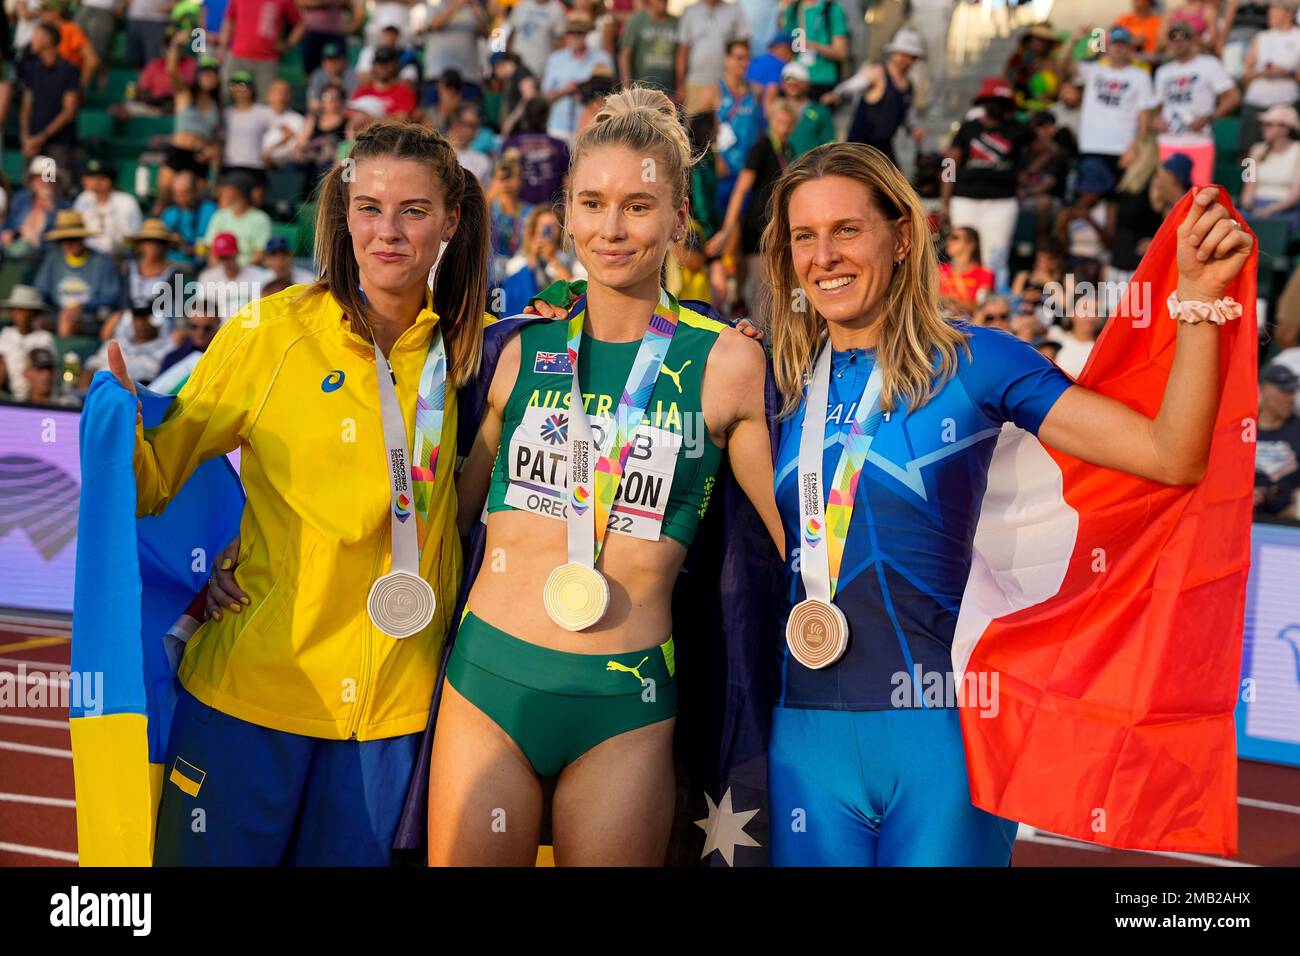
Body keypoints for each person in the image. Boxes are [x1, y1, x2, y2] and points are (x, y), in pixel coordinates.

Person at [762, 141, 1252, 866]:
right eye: (805, 236)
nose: (824, 255)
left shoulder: (981, 362)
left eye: (847, 230)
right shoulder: (768, 377)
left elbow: (1169, 456)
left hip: (947, 746)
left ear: (902, 236)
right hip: (800, 742)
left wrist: (1199, 304)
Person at [104, 120, 491, 865]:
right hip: (253, 695)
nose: (388, 232)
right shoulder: (268, 333)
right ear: (344, 214)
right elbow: (152, 488)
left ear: (450, 221)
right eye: (370, 207)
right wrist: (118, 427)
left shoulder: (479, 354)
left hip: (392, 714)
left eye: (414, 211)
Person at [427, 86, 780, 866]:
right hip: (486, 686)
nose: (612, 229)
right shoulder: (513, 348)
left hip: (627, 706)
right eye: (592, 203)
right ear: (567, 215)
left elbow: (801, 542)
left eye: (638, 206)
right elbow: (441, 519)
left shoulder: (727, 364)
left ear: (679, 222)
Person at [707, 96, 799, 331]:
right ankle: (759, 347)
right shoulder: (762, 147)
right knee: (762, 291)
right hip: (757, 229)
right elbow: (741, 188)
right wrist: (728, 229)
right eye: (780, 121)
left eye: (789, 123)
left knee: (766, 290)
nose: (784, 127)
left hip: (776, 228)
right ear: (771, 120)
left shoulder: (787, 149)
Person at [941, 78, 1037, 291]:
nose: (996, 107)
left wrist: (1027, 173)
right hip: (965, 199)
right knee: (962, 254)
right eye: (993, 101)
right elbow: (950, 164)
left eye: (1001, 103)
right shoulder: (968, 129)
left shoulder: (1017, 129)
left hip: (1001, 202)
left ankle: (990, 305)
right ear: (983, 102)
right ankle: (957, 302)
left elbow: (1049, 151)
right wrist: (945, 203)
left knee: (995, 257)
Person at [1148, 22, 1242, 186]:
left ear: (1193, 41)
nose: (1178, 43)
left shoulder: (1208, 64)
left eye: (1183, 39)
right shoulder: (1164, 71)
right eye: (1174, 40)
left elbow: (1233, 97)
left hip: (1199, 139)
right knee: (1165, 187)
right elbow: (1156, 106)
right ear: (1169, 44)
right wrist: (1155, 120)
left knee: (1200, 192)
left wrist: (1210, 117)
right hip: (1169, 139)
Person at [1063, 26, 1153, 187]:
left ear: (1130, 48)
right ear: (1107, 47)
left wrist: (1136, 146)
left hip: (1124, 150)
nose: (1118, 48)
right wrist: (1073, 41)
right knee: (1087, 199)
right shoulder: (1093, 70)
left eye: (1123, 44)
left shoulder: (1140, 76)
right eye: (1114, 44)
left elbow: (1144, 115)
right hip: (1091, 146)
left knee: (1116, 202)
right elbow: (1063, 68)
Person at [833, 27, 926, 164]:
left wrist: (914, 128)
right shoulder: (877, 73)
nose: (903, 59)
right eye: (901, 54)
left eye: (909, 56)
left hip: (883, 149)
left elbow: (908, 115)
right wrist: (836, 95)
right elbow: (851, 86)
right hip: (860, 147)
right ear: (893, 53)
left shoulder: (908, 86)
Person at [156, 36, 222, 215]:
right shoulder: (184, 94)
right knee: (164, 198)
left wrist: (211, 151)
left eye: (212, 73)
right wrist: (176, 46)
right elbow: (171, 69)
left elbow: (216, 138)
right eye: (205, 72)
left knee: (195, 204)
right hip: (179, 149)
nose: (208, 76)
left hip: (199, 156)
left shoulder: (217, 106)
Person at [35, 210, 122, 338]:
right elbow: (40, 290)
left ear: (82, 238)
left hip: (92, 317)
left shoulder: (102, 261)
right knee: (38, 321)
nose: (68, 244)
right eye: (64, 240)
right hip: (58, 314)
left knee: (67, 319)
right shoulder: (53, 259)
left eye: (73, 239)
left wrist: (84, 306)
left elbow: (111, 296)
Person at [1239, 0, 1300, 155]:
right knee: (1249, 152)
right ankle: (1249, 179)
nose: (1270, 14)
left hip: (1285, 102)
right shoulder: (1261, 36)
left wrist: (1287, 73)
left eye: (1275, 10)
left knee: (1286, 151)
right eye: (1270, 11)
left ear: (1289, 13)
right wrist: (1262, 73)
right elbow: (1245, 72)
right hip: (1255, 101)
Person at [18, 21, 79, 175]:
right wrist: (26, 136)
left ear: (48, 40)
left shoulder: (68, 70)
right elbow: (27, 105)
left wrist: (42, 136)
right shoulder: (31, 69)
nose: (32, 40)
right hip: (33, 142)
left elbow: (69, 112)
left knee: (51, 186)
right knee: (31, 188)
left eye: (36, 36)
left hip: (57, 143)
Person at [542, 14, 613, 143]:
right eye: (571, 32)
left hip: (590, 125)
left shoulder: (602, 59)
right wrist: (566, 90)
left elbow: (609, 94)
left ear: (586, 34)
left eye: (579, 32)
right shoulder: (555, 59)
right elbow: (546, 95)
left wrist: (587, 91)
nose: (575, 37)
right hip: (559, 125)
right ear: (566, 35)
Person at [676, 0, 751, 114]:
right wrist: (680, 84)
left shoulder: (734, 10)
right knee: (695, 127)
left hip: (725, 84)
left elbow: (743, 45)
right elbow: (682, 51)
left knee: (723, 126)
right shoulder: (690, 11)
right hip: (695, 82)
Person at [715, 40, 762, 216]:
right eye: (739, 58)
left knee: (743, 226)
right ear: (727, 59)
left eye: (747, 58)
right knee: (723, 222)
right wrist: (716, 158)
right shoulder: (715, 91)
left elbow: (760, 128)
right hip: (724, 171)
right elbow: (700, 131)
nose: (744, 63)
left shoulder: (755, 91)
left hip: (749, 170)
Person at [219, 0, 303, 96]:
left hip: (267, 60)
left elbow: (300, 23)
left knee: (266, 101)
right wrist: (222, 47)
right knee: (229, 97)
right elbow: (229, 21)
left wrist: (288, 44)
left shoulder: (283, 1)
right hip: (238, 55)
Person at [502, 96, 571, 208]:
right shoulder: (560, 145)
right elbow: (568, 184)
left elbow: (503, 181)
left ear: (525, 115)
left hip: (519, 213)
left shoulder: (511, 144)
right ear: (547, 116)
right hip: (551, 214)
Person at [1240, 103, 1300, 228]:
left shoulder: (1297, 151)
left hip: (1285, 210)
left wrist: (1270, 210)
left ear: (1285, 129)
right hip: (1256, 207)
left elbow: (1295, 194)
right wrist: (1250, 208)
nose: (1263, 127)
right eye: (1263, 124)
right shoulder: (1256, 150)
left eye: (1269, 124)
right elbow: (1249, 187)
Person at [777, 0, 849, 101]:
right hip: (796, 79)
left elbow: (841, 52)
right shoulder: (793, 9)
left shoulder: (832, 9)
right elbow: (785, 48)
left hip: (822, 82)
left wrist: (814, 46)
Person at [74, 158, 144, 261]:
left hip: (120, 259)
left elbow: (134, 236)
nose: (85, 179)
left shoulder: (126, 201)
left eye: (91, 177)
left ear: (106, 181)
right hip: (89, 259)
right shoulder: (83, 199)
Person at [1255, 362, 1300, 515]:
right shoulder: (1242, 428)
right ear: (1264, 390)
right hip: (1242, 515)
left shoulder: (1297, 429)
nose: (1290, 398)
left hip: (1288, 519)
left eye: (1293, 391)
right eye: (1284, 391)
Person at [202, 173, 272, 267]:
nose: (225, 192)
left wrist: (240, 271)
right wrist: (219, 268)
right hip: (220, 268)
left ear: (240, 192)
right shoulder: (219, 215)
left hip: (249, 271)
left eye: (229, 189)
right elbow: (210, 248)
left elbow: (260, 254)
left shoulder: (261, 218)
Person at [0, 284, 55, 402]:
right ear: (12, 312)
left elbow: (44, 371)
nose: (22, 316)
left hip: (35, 397)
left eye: (27, 311)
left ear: (34, 314)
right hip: (9, 396)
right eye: (18, 310)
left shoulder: (44, 338)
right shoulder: (5, 335)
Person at [420, 0, 491, 92]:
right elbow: (432, 25)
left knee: (470, 105)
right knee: (433, 106)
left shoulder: (472, 7)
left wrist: (475, 10)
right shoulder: (435, 5)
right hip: (438, 75)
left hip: (468, 76)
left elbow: (486, 34)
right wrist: (458, 4)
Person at [159, 170, 217, 272]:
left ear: (196, 190)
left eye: (185, 193)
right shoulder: (170, 212)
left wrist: (186, 247)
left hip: (202, 266)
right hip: (170, 264)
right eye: (177, 194)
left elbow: (209, 247)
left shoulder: (209, 209)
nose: (180, 199)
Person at [619, 0, 679, 96]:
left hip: (669, 90)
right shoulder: (637, 20)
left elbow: (682, 55)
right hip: (641, 89)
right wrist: (626, 86)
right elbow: (625, 55)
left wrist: (680, 85)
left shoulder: (676, 22)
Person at [938, 226, 995, 317]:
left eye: (955, 238)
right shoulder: (939, 270)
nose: (949, 241)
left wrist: (951, 300)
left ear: (971, 244)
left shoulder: (985, 274)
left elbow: (981, 307)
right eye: (949, 237)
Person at [353, 46, 418, 121]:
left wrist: (369, 117)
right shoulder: (362, 92)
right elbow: (352, 116)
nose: (382, 66)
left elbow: (402, 119)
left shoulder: (404, 92)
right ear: (373, 65)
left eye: (387, 62)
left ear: (395, 65)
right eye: (379, 62)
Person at [508, 0, 567, 80]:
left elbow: (561, 43)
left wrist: (552, 69)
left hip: (539, 70)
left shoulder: (557, 9)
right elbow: (512, 32)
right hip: (516, 65)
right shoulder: (522, 4)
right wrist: (508, 56)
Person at [261, 78, 306, 170]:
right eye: (277, 92)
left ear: (291, 96)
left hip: (287, 165)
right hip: (258, 163)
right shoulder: (258, 115)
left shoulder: (299, 120)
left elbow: (296, 148)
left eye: (285, 92)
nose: (281, 96)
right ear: (268, 95)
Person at [307, 42, 358, 113]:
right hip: (324, 113)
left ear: (343, 60)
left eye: (335, 59)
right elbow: (313, 103)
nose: (332, 63)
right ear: (323, 61)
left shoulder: (351, 73)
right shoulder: (318, 75)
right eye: (328, 59)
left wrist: (340, 87)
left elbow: (354, 101)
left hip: (346, 114)